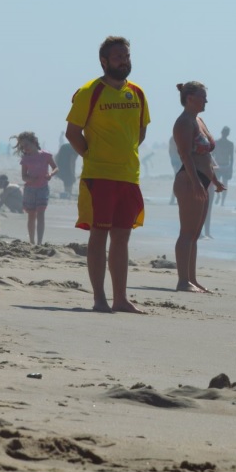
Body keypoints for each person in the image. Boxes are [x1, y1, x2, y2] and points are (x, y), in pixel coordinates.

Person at [65, 36, 149, 314]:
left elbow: (141, 131)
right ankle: (99, 298)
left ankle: (121, 299)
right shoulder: (91, 91)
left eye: (126, 56)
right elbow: (73, 133)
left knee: (122, 238)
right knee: (99, 235)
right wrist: (91, 155)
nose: (124, 61)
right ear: (104, 61)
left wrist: (125, 154)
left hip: (128, 176)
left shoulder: (136, 92)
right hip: (99, 176)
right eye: (117, 57)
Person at [171, 81, 224, 292]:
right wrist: (196, 183)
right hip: (188, 180)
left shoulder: (199, 120)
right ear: (190, 98)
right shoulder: (184, 122)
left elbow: (205, 156)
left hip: (202, 179)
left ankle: (192, 279)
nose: (206, 100)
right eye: (203, 96)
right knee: (186, 232)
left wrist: (214, 179)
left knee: (195, 234)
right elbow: (185, 155)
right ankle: (183, 281)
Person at [16, 131, 58, 245]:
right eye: (22, 147)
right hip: (30, 190)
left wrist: (50, 175)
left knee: (40, 214)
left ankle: (39, 242)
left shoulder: (45, 155)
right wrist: (30, 179)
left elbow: (55, 168)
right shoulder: (25, 159)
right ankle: (32, 241)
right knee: (31, 215)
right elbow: (24, 176)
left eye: (26, 145)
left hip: (43, 188)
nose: (25, 148)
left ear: (34, 142)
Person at [213, 126, 234, 206]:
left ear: (228, 134)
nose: (225, 134)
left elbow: (231, 157)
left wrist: (231, 168)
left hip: (226, 165)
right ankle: (218, 196)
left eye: (226, 133)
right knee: (216, 182)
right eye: (224, 132)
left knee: (225, 184)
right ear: (222, 133)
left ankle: (222, 201)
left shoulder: (230, 144)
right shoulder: (216, 142)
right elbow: (212, 155)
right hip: (217, 165)